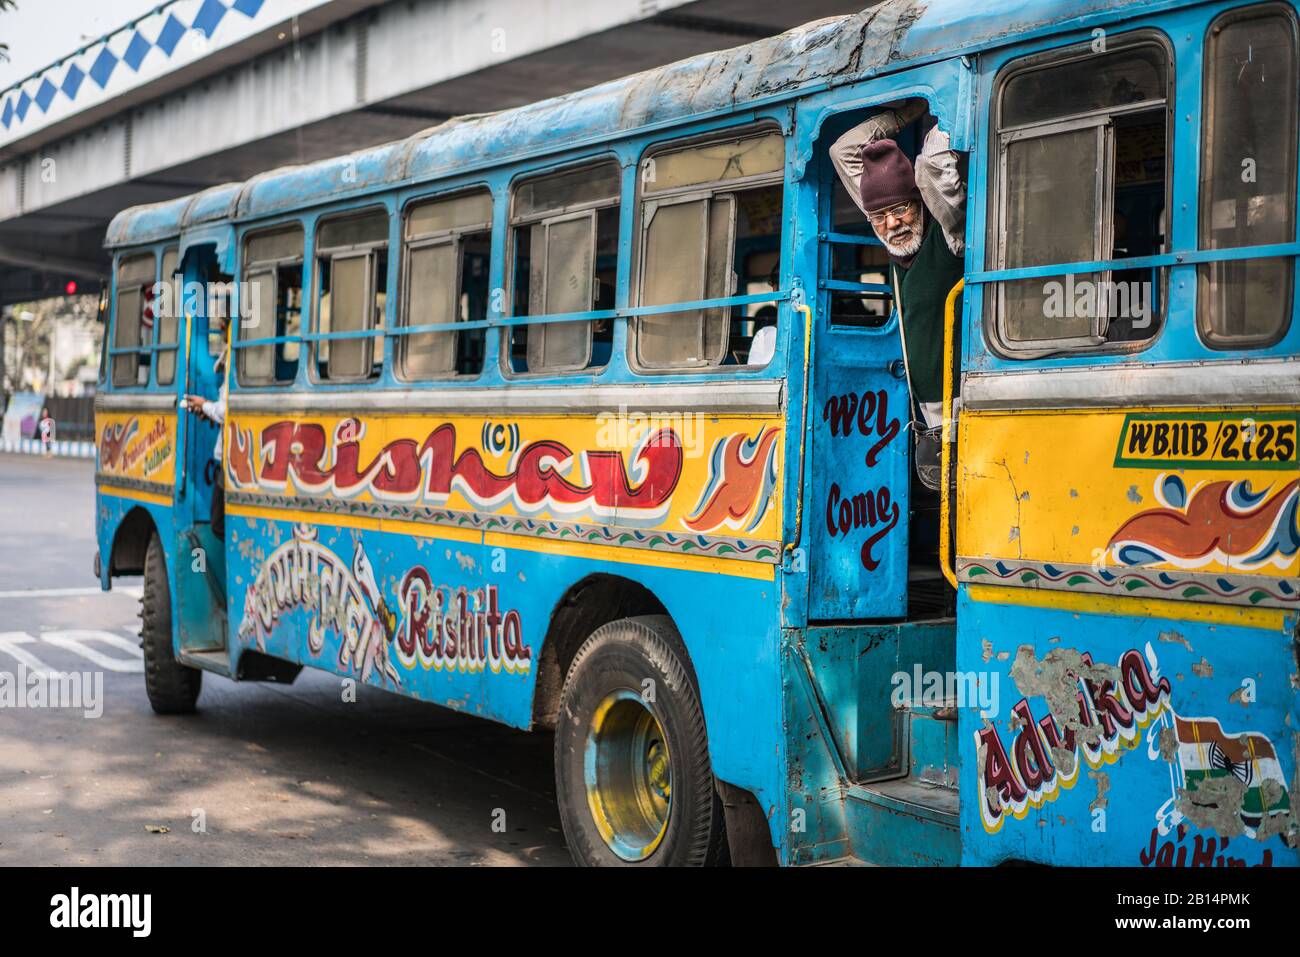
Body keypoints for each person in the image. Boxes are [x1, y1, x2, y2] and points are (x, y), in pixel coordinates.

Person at [830, 101, 967, 477]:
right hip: (925, 421)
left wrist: (940, 100)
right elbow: (842, 152)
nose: (891, 224)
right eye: (879, 216)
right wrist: (908, 111)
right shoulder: (889, 231)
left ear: (919, 205)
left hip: (962, 412)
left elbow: (933, 165)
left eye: (902, 210)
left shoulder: (947, 233)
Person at [183, 316, 228, 538]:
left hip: (229, 459)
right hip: (226, 455)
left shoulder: (237, 358)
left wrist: (205, 405)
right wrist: (209, 413)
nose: (220, 326)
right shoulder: (231, 356)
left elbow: (227, 410)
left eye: (225, 322)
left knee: (219, 524)